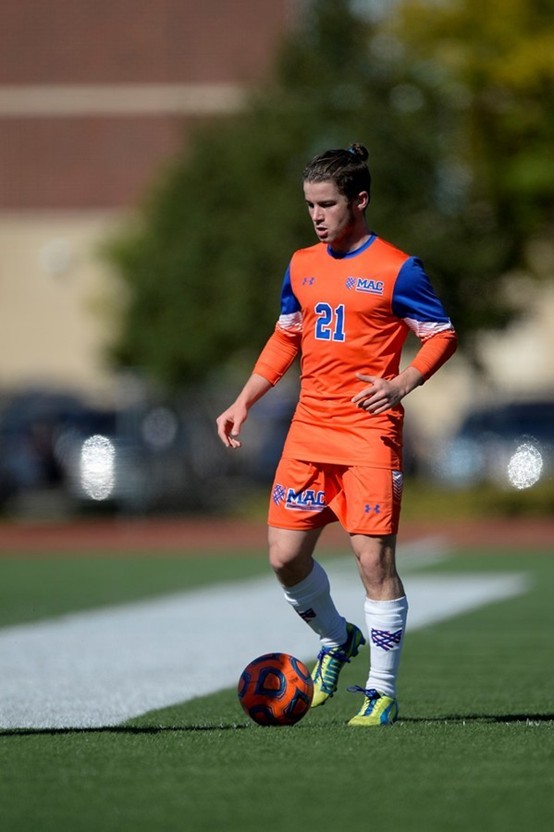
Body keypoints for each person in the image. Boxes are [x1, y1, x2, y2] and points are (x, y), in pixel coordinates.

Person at [216, 144, 457, 726]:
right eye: (309, 206)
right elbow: (286, 336)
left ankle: (381, 691)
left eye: (327, 204)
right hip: (308, 431)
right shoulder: (301, 263)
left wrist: (402, 384)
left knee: (373, 561)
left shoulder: (399, 268)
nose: (317, 216)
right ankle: (337, 637)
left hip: (369, 434)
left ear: (361, 200)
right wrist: (245, 400)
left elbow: (442, 334)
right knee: (283, 556)